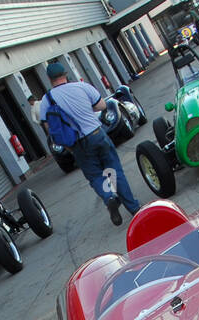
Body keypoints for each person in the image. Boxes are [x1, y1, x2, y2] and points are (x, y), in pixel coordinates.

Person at [38, 62, 140, 226]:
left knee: (96, 176)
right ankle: (134, 208)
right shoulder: (81, 87)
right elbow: (102, 105)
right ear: (65, 74)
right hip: (97, 134)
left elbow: (49, 128)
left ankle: (109, 198)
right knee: (113, 171)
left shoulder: (46, 100)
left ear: (49, 79)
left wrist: (68, 145)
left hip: (77, 144)